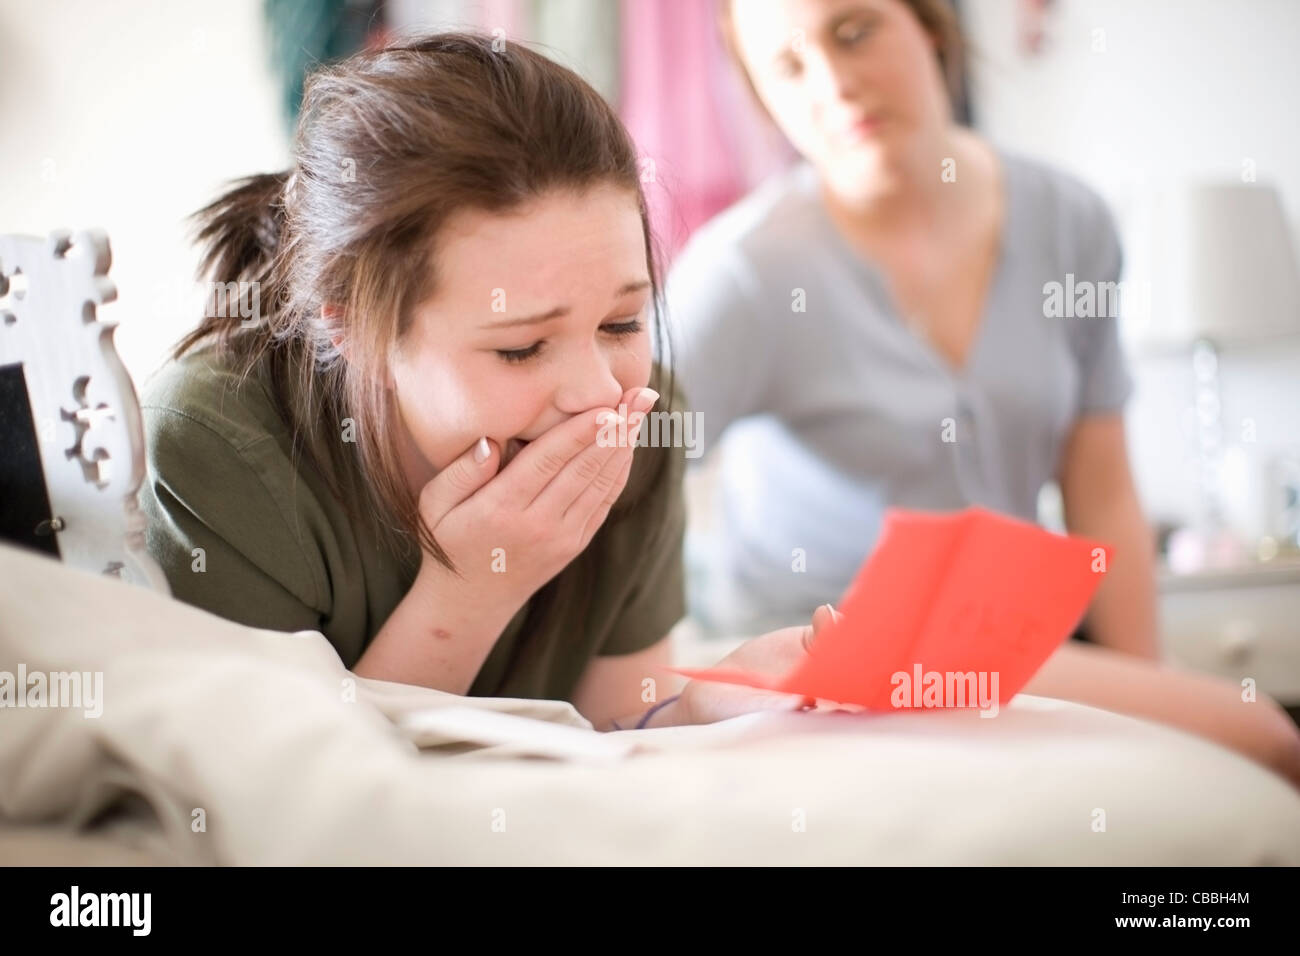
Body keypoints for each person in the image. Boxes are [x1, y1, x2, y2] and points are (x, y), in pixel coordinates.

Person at [137, 32, 833, 733]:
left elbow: (616, 725)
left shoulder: (643, 419)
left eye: (621, 323)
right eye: (522, 347)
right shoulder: (213, 453)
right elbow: (273, 801)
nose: (598, 394)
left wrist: (702, 707)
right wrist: (472, 592)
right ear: (356, 332)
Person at [669, 0, 1158, 659]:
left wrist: (1145, 683)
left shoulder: (1070, 222)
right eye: (788, 67)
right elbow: (615, 484)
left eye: (855, 33)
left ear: (930, 25)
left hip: (1003, 652)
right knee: (1264, 733)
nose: (835, 85)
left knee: (1240, 735)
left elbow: (1103, 495)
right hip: (817, 675)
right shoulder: (745, 271)